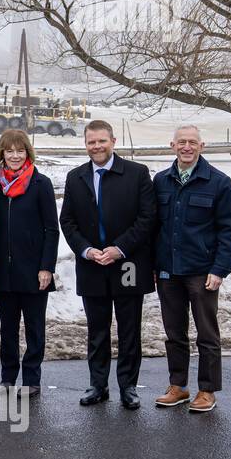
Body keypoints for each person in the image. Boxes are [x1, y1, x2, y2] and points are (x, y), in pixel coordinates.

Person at [59, 120, 156, 409]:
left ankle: (128, 386)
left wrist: (120, 248)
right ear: (85, 144)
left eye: (102, 141)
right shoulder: (76, 177)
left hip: (127, 264)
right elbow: (68, 221)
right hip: (92, 264)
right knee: (97, 330)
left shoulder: (137, 173)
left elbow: (147, 218)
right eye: (91, 142)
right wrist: (86, 250)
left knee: (129, 330)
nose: (97, 146)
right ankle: (97, 385)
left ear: (113, 141)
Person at [151, 125, 231, 413]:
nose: (186, 147)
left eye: (192, 142)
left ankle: (206, 390)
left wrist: (219, 270)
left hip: (202, 272)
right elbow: (154, 227)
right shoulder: (161, 181)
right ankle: (178, 386)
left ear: (202, 146)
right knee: (174, 333)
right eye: (181, 142)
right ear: (172, 145)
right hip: (168, 271)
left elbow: (229, 231)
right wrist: (154, 265)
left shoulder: (218, 182)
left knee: (207, 334)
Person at [0, 130, 59, 396]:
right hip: (3, 271)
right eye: (10, 151)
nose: (15, 156)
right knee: (7, 329)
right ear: (2, 154)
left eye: (20, 151)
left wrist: (47, 267)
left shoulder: (40, 183)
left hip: (34, 271)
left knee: (34, 329)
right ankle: (8, 378)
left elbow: (51, 229)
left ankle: (31, 380)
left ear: (27, 153)